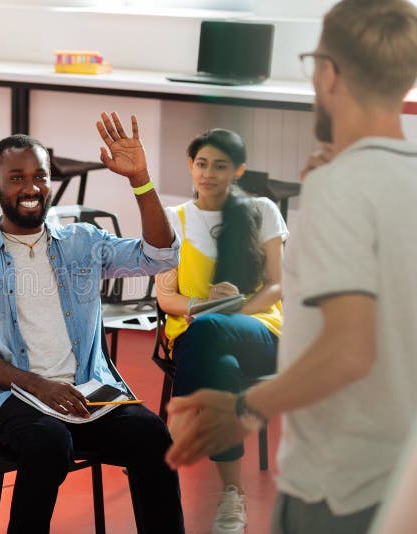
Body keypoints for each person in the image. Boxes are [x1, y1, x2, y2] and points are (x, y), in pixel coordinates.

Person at [164, 1, 417, 533]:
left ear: (328, 72)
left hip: (340, 486)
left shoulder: (341, 187)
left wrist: (244, 408)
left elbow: (347, 350)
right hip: (413, 476)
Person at [0, 113, 186, 534]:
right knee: (49, 443)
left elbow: (160, 255)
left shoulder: (83, 242)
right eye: (16, 177)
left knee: (153, 437)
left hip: (88, 392)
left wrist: (141, 181)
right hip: (16, 400)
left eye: (40, 176)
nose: (31, 188)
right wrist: (41, 385)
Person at [156, 128, 287, 534]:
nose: (208, 173)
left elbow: (278, 285)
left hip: (260, 330)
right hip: (198, 335)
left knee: (212, 330)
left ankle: (166, 444)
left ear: (238, 171)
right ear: (190, 167)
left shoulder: (261, 209)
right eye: (201, 163)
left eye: (220, 165)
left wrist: (233, 308)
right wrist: (204, 306)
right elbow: (166, 297)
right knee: (222, 365)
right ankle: (232, 495)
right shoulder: (172, 220)